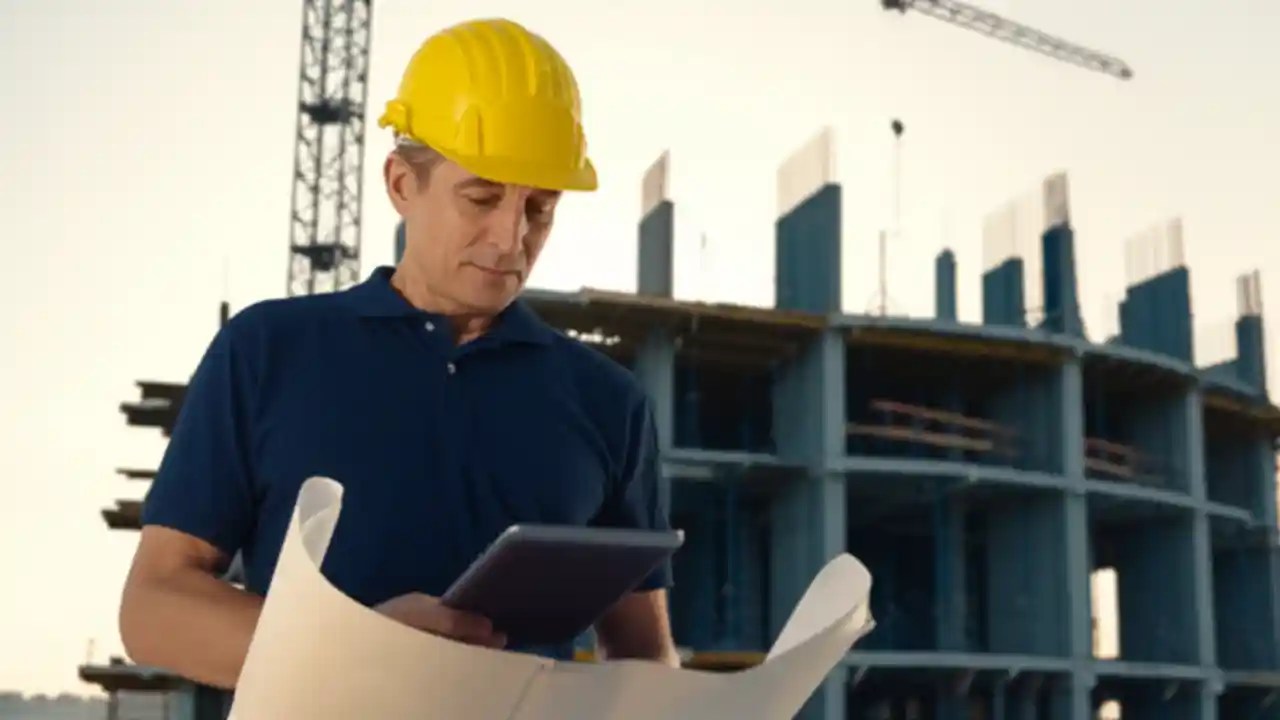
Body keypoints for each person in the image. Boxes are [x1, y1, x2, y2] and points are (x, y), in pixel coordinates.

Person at [118, 16, 679, 693]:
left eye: (539, 208)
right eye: (482, 197)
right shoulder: (268, 352)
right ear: (401, 184)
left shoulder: (608, 403)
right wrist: (357, 650)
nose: (510, 238)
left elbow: (643, 660)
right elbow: (154, 606)